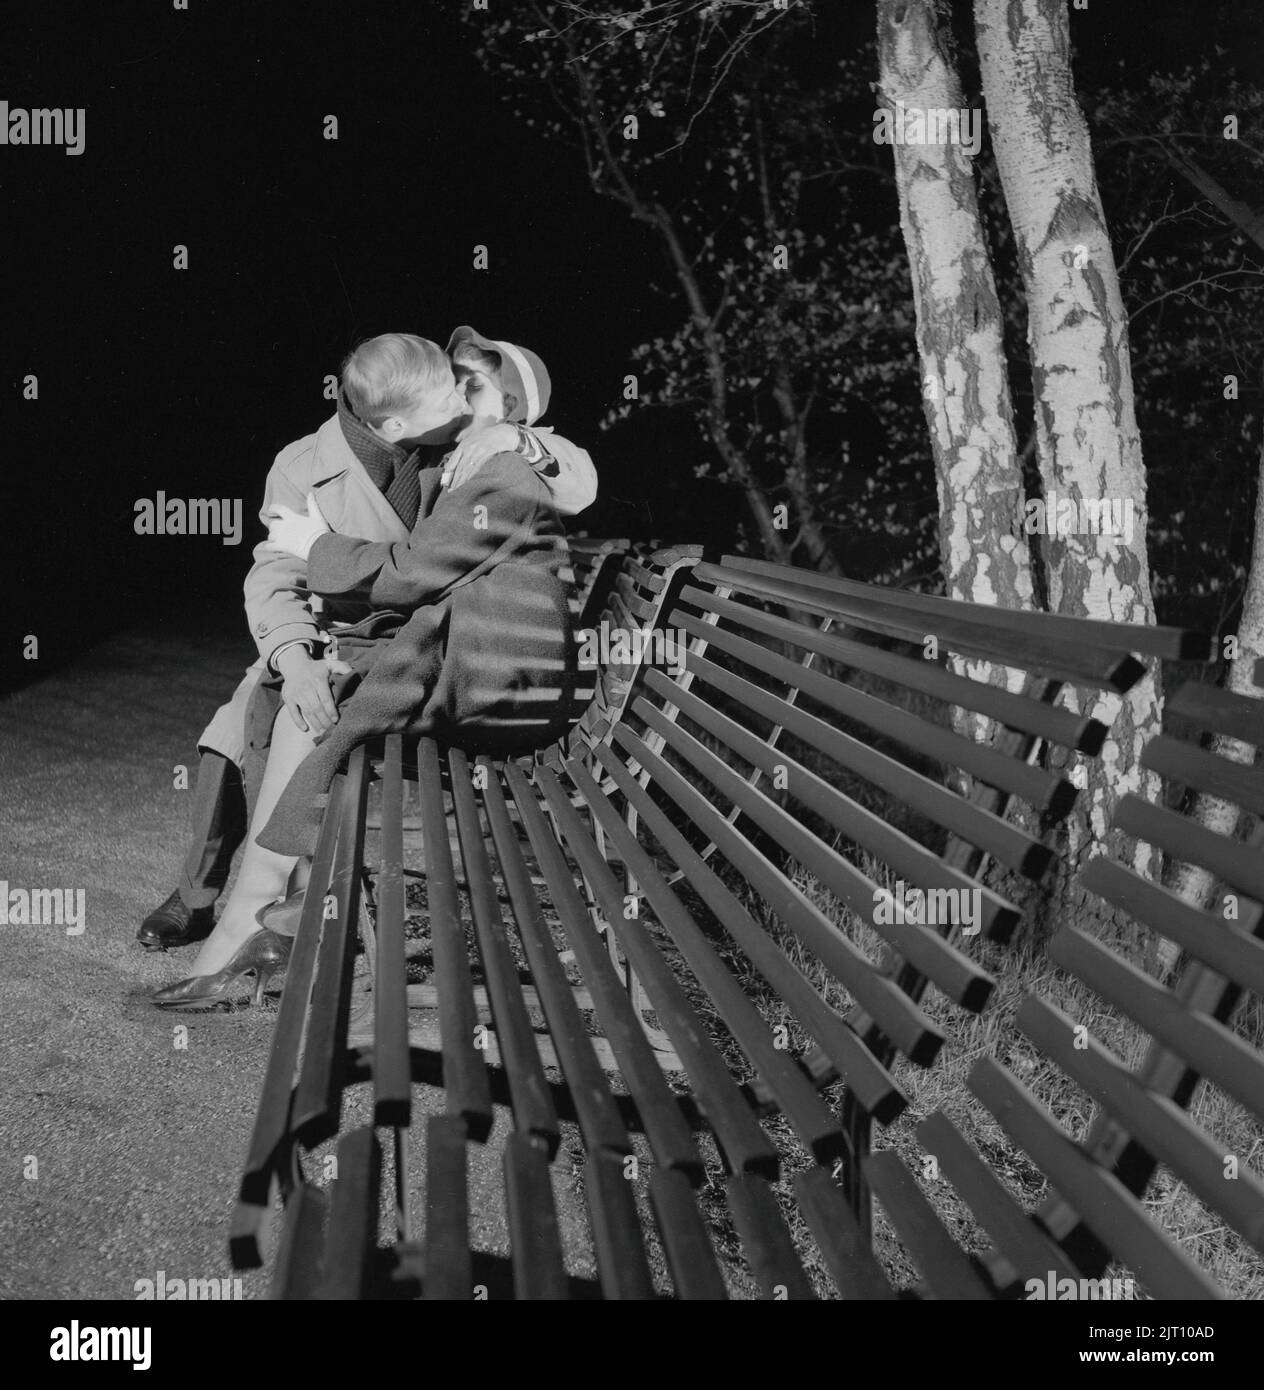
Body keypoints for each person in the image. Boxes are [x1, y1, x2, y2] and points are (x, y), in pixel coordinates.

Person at [151, 329, 579, 1008]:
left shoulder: (472, 446)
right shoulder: (305, 465)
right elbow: (275, 578)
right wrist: (294, 661)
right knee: (265, 710)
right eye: (456, 383)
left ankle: (252, 923)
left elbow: (572, 475)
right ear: (394, 420)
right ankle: (226, 906)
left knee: (317, 709)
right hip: (334, 640)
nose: (463, 397)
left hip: (436, 653)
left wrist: (519, 438)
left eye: (474, 386)